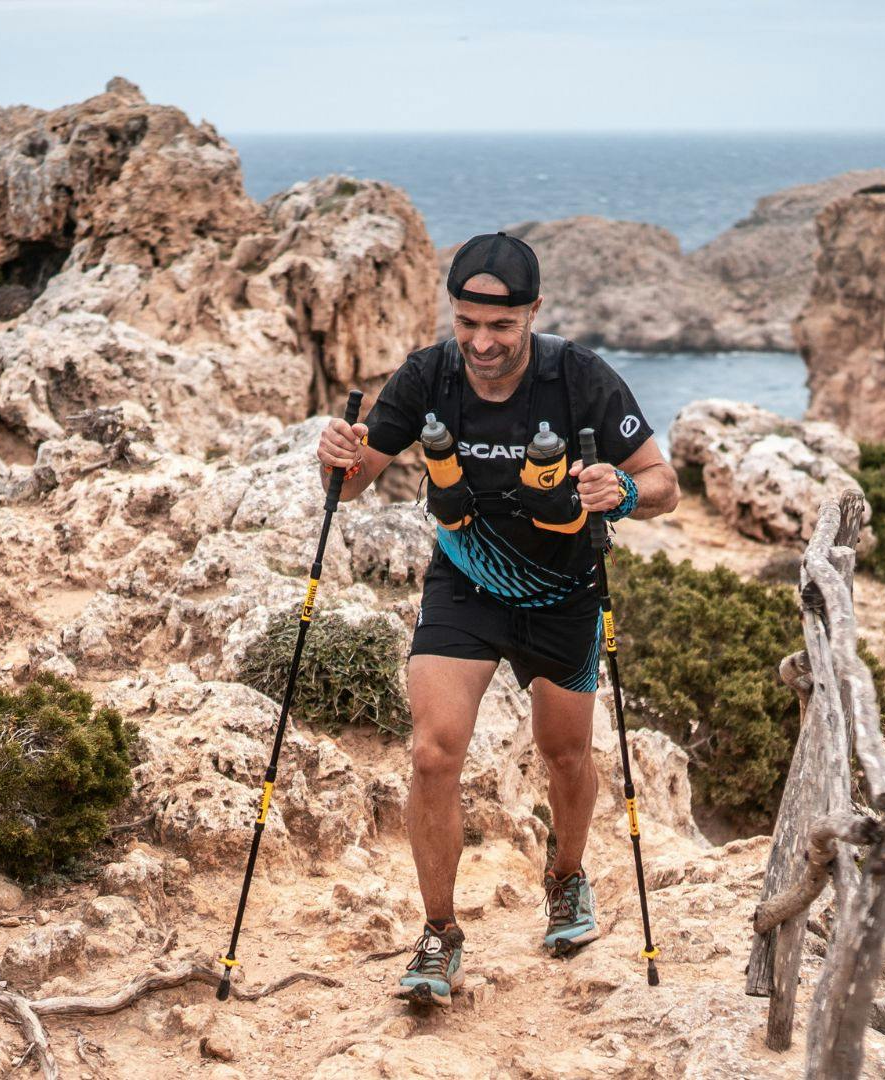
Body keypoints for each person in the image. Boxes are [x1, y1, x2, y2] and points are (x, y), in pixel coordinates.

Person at [314, 232, 679, 1006]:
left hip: (563, 593)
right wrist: (337, 457)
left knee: (566, 754)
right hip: (467, 584)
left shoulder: (578, 376)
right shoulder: (428, 375)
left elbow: (664, 481)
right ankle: (440, 936)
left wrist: (623, 488)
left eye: (500, 327)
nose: (481, 343)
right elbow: (352, 485)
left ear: (531, 314)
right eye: (467, 324)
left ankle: (566, 876)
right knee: (432, 754)